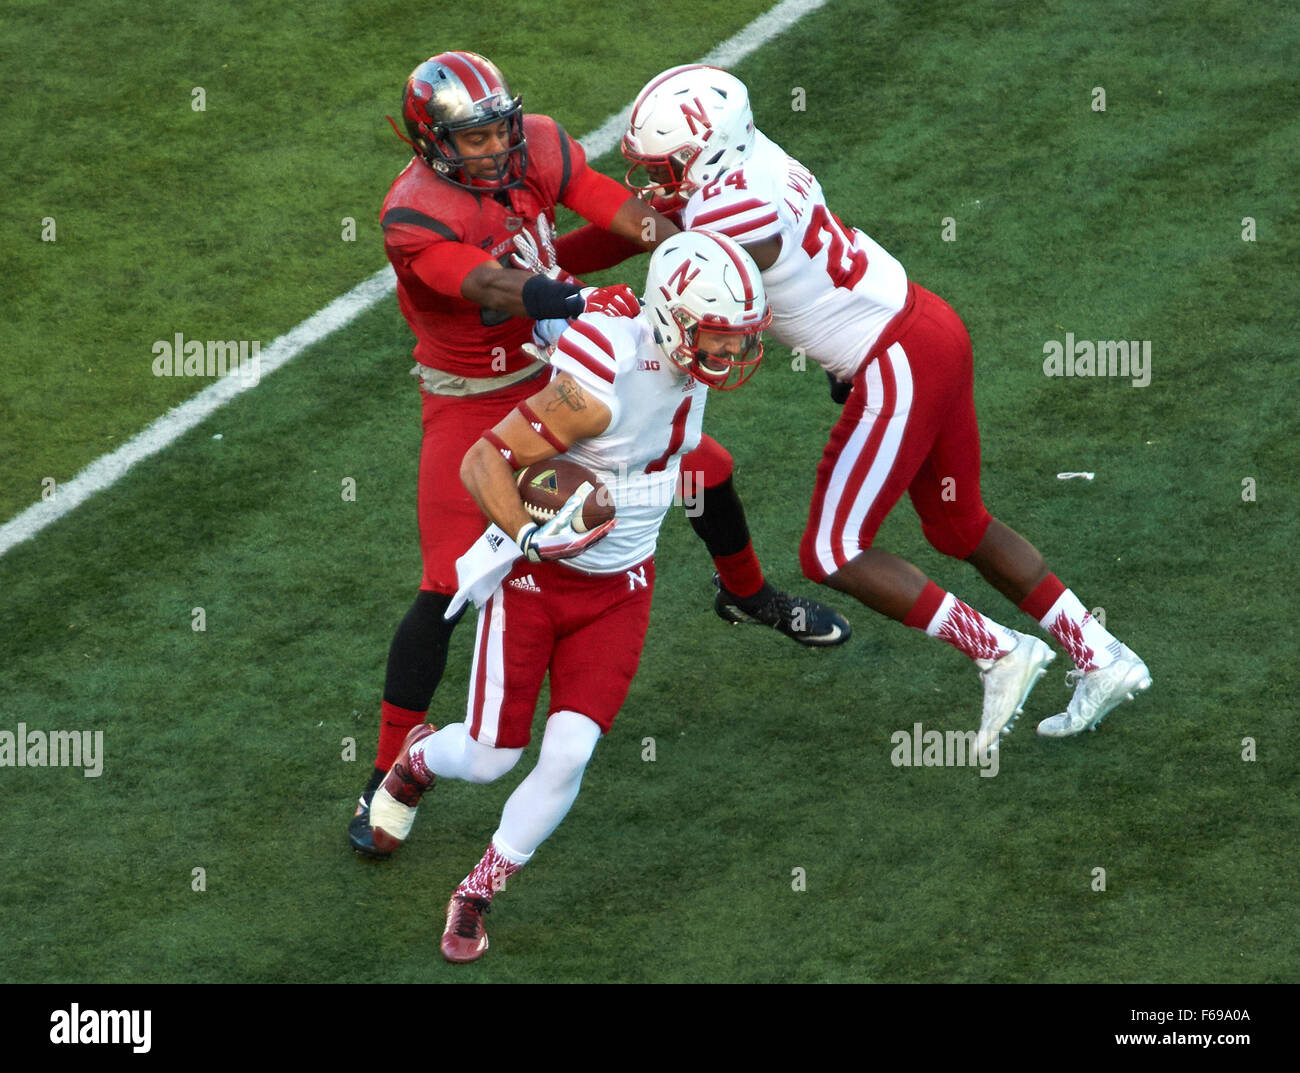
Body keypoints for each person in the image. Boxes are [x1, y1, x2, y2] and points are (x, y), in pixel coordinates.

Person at [349, 52, 849, 860]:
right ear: (433, 143)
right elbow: (488, 286)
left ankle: (747, 594)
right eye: (475, 136)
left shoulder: (537, 144)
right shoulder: (413, 214)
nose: (497, 144)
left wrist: (684, 249)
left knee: (705, 469)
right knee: (448, 582)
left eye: (499, 125)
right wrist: (569, 297)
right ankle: (386, 770)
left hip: (565, 354)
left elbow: (620, 214)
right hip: (479, 383)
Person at [608, 65, 1151, 749]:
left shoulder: (727, 210)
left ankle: (998, 649)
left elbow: (669, 257)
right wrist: (555, 262)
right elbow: (653, 224)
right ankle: (1100, 653)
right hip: (926, 323)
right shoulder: (754, 161)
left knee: (831, 549)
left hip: (894, 356)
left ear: (709, 151)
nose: (655, 179)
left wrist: (560, 284)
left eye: (668, 164)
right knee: (959, 525)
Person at [368, 230, 771, 962]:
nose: (729, 354)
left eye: (738, 338)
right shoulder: (597, 385)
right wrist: (528, 535)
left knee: (569, 752)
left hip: (623, 583)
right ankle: (418, 760)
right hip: (536, 580)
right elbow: (481, 458)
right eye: (717, 336)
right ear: (677, 320)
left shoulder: (648, 340)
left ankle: (477, 888)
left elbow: (603, 323)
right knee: (493, 756)